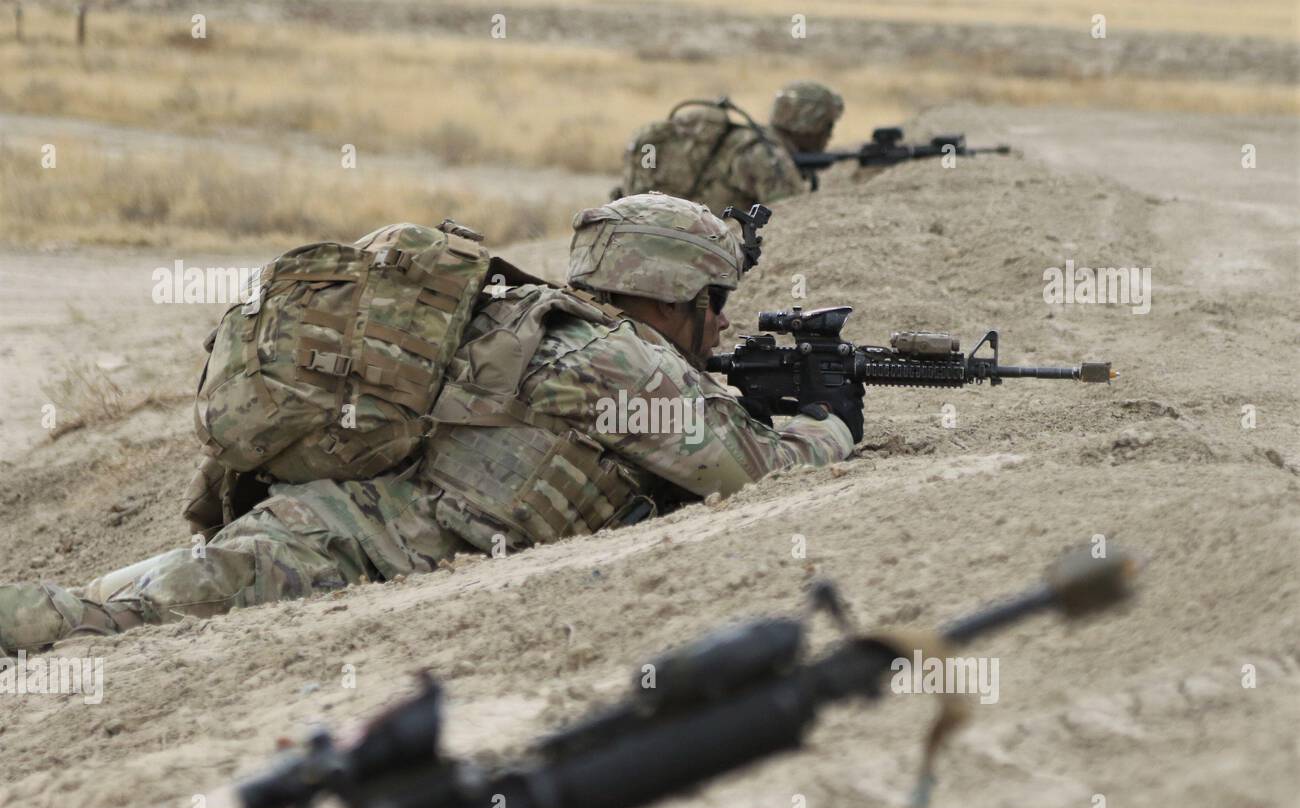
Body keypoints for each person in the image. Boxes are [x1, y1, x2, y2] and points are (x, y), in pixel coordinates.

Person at [0, 194, 863, 654]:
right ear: (674, 295)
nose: (720, 328)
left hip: (318, 515)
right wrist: (833, 426)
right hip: (348, 554)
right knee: (96, 625)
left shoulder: (518, 311)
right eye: (714, 305)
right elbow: (753, 472)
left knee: (109, 600)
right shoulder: (620, 361)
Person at [616, 81, 844, 215]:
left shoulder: (740, 141)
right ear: (809, 125)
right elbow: (789, 223)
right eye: (827, 126)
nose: (830, 134)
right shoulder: (766, 155)